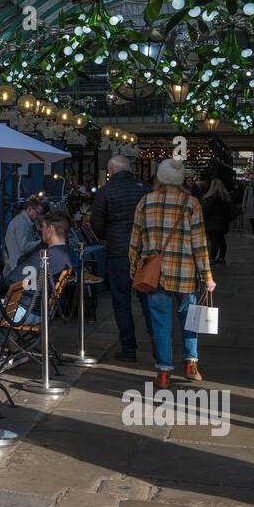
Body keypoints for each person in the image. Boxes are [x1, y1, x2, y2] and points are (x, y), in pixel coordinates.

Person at [129, 159, 216, 391]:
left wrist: (134, 266)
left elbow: (135, 239)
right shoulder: (192, 203)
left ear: (160, 176)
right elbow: (199, 243)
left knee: (160, 322)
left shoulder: (145, 201)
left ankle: (164, 371)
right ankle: (190, 364)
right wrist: (207, 275)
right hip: (185, 273)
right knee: (189, 318)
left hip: (154, 274)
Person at [0, 211, 73, 351]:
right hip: (39, 311)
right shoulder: (63, 254)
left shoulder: (45, 256)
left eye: (43, 227)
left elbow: (11, 280)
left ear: (51, 229)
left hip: (23, 311)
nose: (41, 230)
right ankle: (11, 347)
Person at [90, 155, 153, 363]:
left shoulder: (105, 192)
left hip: (118, 253)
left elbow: (97, 225)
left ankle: (128, 348)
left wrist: (109, 236)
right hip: (143, 253)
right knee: (147, 300)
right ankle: (157, 345)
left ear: (111, 170)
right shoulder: (145, 190)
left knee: (121, 301)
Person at [2, 196, 46, 273]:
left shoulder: (25, 221)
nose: (38, 216)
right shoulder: (21, 223)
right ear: (29, 209)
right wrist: (41, 241)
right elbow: (24, 247)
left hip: (21, 264)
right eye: (37, 212)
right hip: (19, 267)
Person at [201, 178, 233, 265]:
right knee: (222, 240)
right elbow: (229, 212)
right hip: (222, 223)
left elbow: (206, 210)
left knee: (214, 240)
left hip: (212, 223)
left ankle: (212, 258)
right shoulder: (225, 198)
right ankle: (221, 257)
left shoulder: (211, 197)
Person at [241, 175, 254, 240]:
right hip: (249, 206)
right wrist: (243, 206)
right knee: (252, 220)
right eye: (252, 179)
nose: (252, 180)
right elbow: (245, 197)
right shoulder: (248, 187)